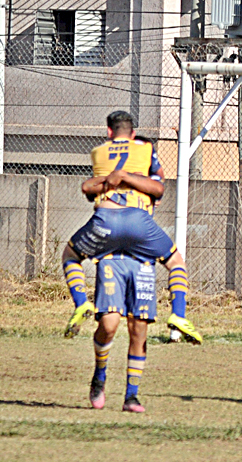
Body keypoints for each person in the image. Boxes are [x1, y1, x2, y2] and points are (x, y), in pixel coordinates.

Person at [61, 111, 202, 346]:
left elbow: (87, 187)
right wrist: (127, 177)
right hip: (137, 226)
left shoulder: (100, 154)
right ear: (133, 134)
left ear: (109, 133)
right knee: (175, 262)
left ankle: (81, 301)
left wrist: (118, 177)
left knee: (70, 256)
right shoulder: (145, 154)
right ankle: (178, 313)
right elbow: (157, 187)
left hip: (107, 223)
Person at [87, 252, 156, 412]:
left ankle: (131, 396)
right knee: (109, 325)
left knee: (139, 330)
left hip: (141, 260)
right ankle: (99, 375)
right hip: (112, 259)